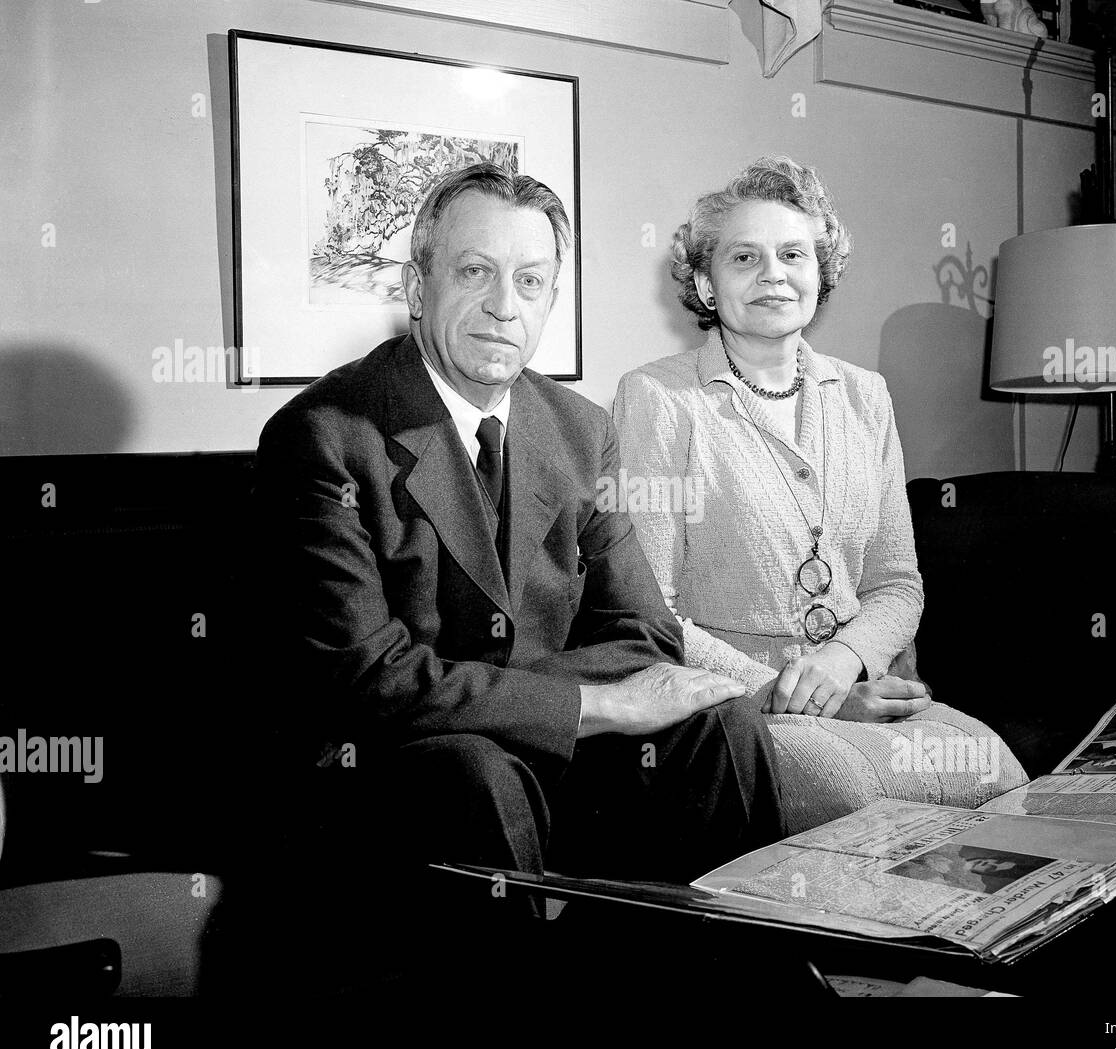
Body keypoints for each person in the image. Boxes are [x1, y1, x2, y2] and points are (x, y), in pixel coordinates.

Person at [252, 163, 786, 894]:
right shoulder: (322, 436)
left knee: (725, 731)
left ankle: (733, 985)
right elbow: (365, 679)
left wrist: (533, 708)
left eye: (529, 282)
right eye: (476, 271)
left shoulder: (581, 429)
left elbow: (646, 635)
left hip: (552, 758)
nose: (504, 306)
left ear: (549, 302)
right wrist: (585, 704)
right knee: (475, 775)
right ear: (417, 288)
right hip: (400, 766)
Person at [613, 156, 1027, 834]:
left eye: (793, 255)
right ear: (706, 285)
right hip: (732, 702)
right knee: (851, 804)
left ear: (819, 274)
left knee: (1001, 778)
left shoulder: (866, 395)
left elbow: (897, 583)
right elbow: (649, 612)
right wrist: (794, 692)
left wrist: (844, 661)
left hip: (862, 680)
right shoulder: (657, 397)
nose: (773, 273)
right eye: (744, 257)